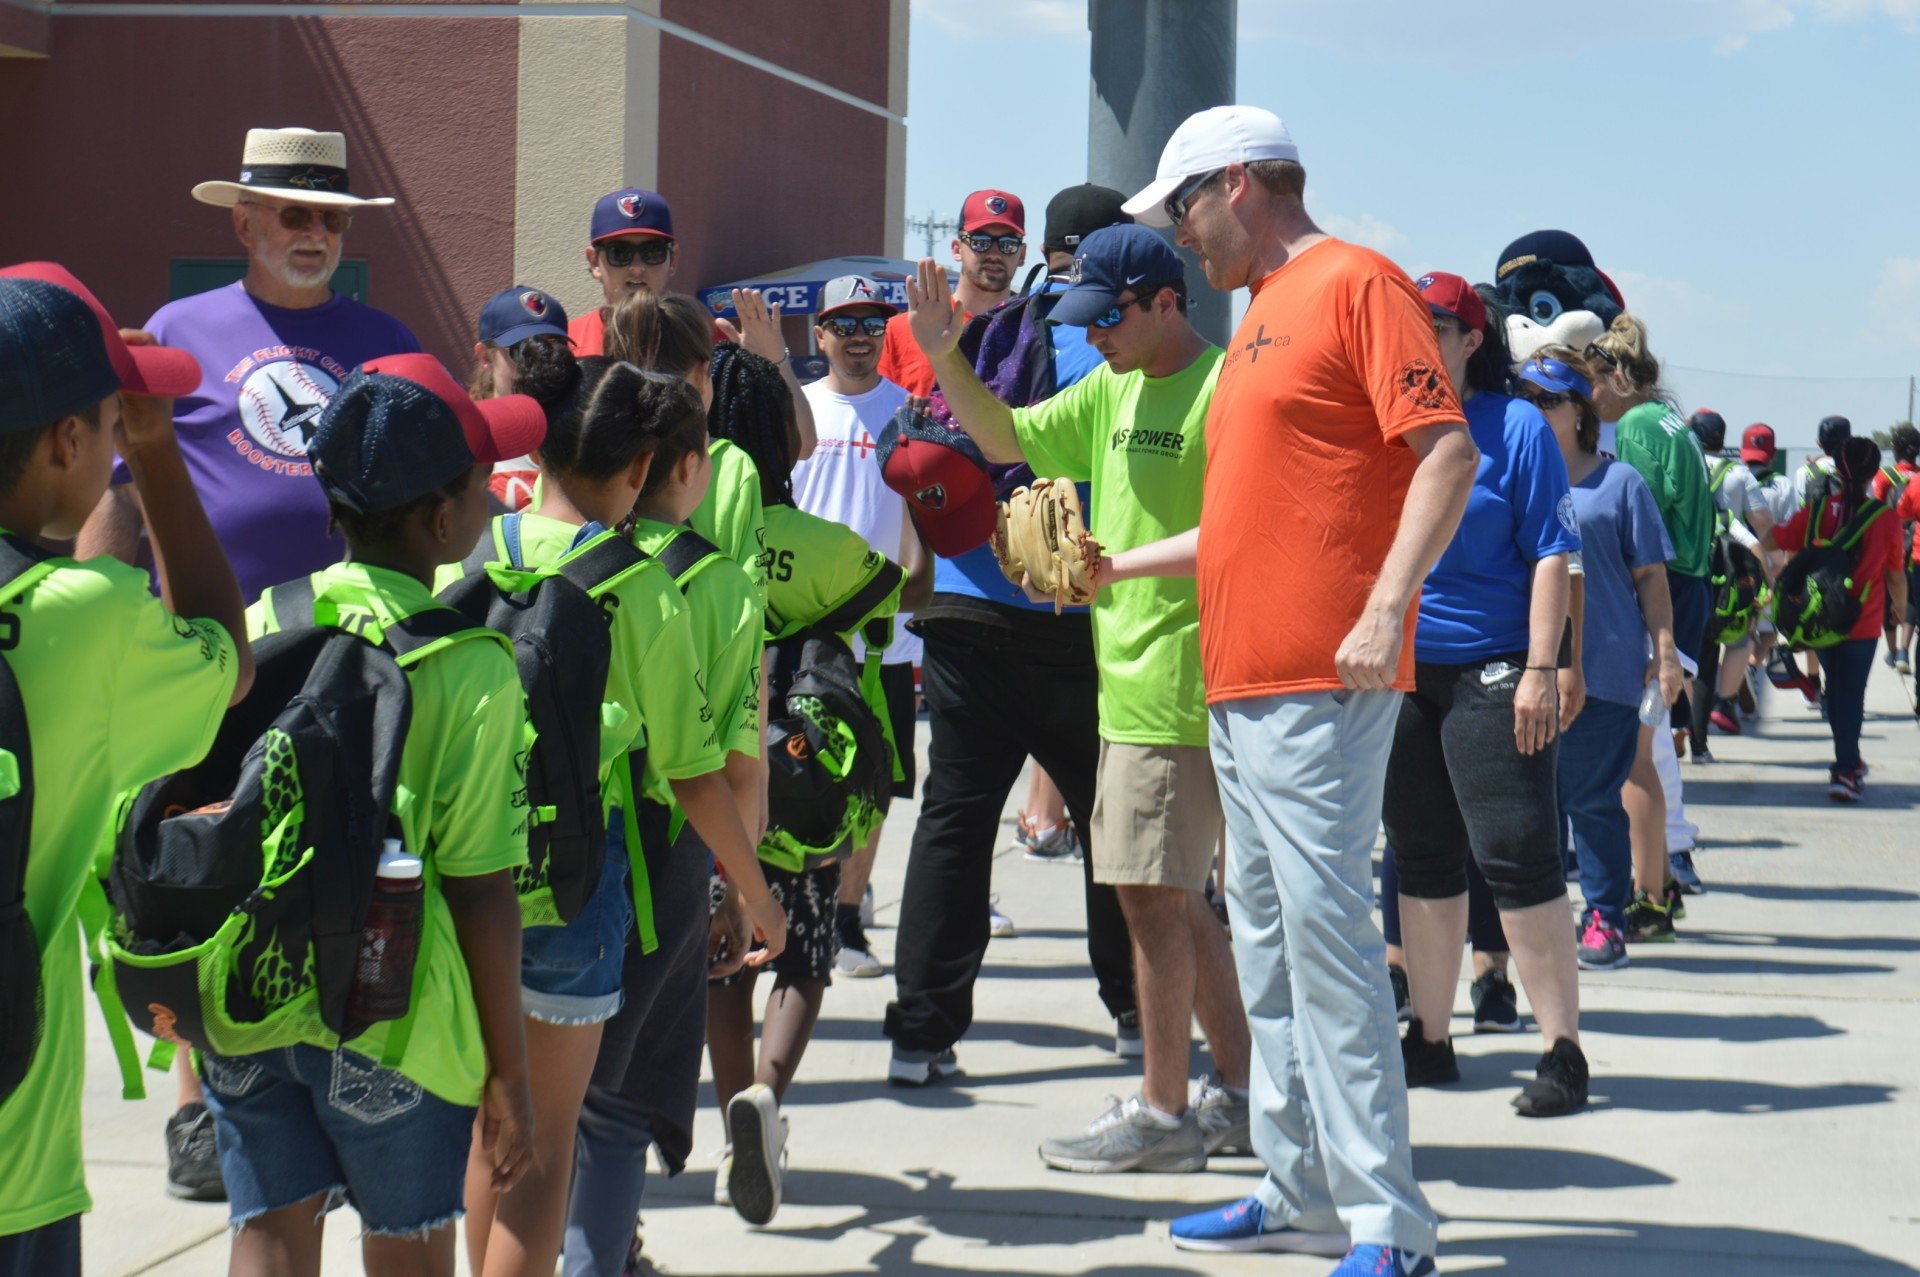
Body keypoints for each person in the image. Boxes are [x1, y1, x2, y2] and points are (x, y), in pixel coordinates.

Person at [1102, 106, 1479, 1275]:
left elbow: (1447, 450)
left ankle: (1388, 1220)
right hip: (1247, 683)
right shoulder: (1262, 312)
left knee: (1324, 950)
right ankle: (1299, 1181)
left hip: (1323, 679)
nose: (1176, 240)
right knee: (1266, 950)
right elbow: (1248, 520)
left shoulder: (1357, 282)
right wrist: (1117, 566)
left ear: (1240, 185)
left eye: (1180, 210)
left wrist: (1383, 603)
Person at [72, 124, 417, 1204]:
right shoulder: (182, 328)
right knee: (206, 857)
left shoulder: (386, 339)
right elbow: (122, 490)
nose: (311, 234)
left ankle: (324, 1071)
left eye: (329, 217)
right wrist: (101, 624)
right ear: (245, 222)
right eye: (291, 214)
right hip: (213, 653)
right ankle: (199, 1099)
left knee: (341, 859)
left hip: (353, 650)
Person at [905, 227, 1253, 1172]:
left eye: (1108, 319)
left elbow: (1235, 534)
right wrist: (943, 353)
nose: (1092, 337)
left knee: (1152, 899)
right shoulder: (1114, 384)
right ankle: (1238, 1096)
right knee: (1172, 899)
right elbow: (1005, 437)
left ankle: (1167, 1111)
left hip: (1180, 680)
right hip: (1126, 682)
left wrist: (1114, 568)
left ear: (1166, 303)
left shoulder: (1223, 390)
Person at [456, 356, 785, 1277]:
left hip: (468, 871)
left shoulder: (479, 548)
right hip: (573, 878)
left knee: (488, 1131)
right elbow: (691, 774)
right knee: (543, 1151)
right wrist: (756, 896)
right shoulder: (642, 589)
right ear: (642, 470)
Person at [211, 354, 540, 1277]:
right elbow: (481, 887)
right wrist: (510, 1075)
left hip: (256, 995)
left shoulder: (268, 614)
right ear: (441, 521)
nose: (493, 503)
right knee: (408, 1251)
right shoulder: (470, 665)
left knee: (268, 1232)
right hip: (392, 1015)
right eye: (481, 487)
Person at [0, 262, 252, 1277]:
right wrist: (157, 451)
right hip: (13, 1139)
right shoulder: (84, 619)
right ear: (71, 442)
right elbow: (224, 657)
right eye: (107, 422)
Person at [880, 187, 1140, 1083]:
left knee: (954, 821)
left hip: (962, 607)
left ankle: (920, 1032)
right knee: (1110, 828)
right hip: (1071, 616)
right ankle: (1137, 1012)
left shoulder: (987, 334)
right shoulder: (1115, 347)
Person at [564, 367, 770, 1277]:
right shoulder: (719, 586)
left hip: (537, 850)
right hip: (668, 860)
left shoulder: (545, 550)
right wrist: (740, 891)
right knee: (617, 1101)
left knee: (536, 1094)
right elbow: (730, 767)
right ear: (686, 468)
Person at [704, 343, 907, 1227]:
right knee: (804, 953)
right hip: (807, 780)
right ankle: (769, 1097)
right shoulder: (829, 547)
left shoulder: (692, 543)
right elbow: (894, 610)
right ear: (790, 446)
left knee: (724, 962)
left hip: (714, 780)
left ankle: (726, 1127)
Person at [1379, 276, 1586, 1118]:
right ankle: (1429, 1037)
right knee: (1421, 858)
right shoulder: (1383, 424)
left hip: (1495, 666)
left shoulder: (1519, 427)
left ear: (1473, 341)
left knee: (1518, 852)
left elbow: (1550, 553)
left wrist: (1545, 666)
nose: (1420, 340)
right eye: (1409, 326)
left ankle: (1561, 1049)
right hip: (1399, 672)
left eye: (1436, 327)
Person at [1527, 347, 1682, 970]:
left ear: (1580, 411)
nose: (1534, 411)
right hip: (1525, 668)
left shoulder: (1620, 483)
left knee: (1593, 799)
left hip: (1608, 667)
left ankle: (1604, 916)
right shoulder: (1511, 475)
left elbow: (1650, 576)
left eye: (1548, 400)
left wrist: (1665, 652)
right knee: (1531, 804)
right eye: (1526, 399)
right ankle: (1535, 917)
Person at [792, 276, 924, 978]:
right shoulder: (800, 412)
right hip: (806, 639)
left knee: (873, 789)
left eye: (872, 321)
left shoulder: (910, 412)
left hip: (885, 644)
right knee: (802, 778)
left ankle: (845, 921)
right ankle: (804, 907)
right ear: (820, 334)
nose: (860, 334)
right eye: (844, 322)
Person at [1585, 314, 1709, 941]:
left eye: (1593, 383)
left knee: (1638, 754)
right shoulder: (1666, 418)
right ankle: (1660, 882)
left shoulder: (1633, 425)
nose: (1588, 398)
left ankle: (1651, 897)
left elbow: (1642, 517)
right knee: (1650, 753)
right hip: (1691, 591)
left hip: (1669, 591)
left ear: (1617, 377)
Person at [566, 187, 814, 455]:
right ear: (594, 261)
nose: (637, 267)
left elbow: (800, 447)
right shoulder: (568, 344)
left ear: (673, 259)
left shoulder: (705, 340)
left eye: (652, 252)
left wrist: (775, 363)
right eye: (619, 253)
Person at [1766, 436, 1907, 800]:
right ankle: (1846, 770)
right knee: (1849, 695)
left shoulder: (1816, 510)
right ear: (1874, 472)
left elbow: (1773, 539)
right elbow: (1894, 574)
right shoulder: (1885, 518)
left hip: (1819, 622)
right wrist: (1901, 608)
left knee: (1838, 692)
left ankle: (1849, 762)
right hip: (1862, 621)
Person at [878, 188, 1027, 397]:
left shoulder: (1032, 331)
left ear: (1022, 254)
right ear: (957, 249)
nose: (994, 253)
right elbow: (877, 414)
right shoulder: (901, 329)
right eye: (980, 242)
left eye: (1008, 244)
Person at [1689, 408, 1775, 757]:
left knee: (1692, 652)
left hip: (1690, 567)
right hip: (1733, 569)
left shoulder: (1684, 463)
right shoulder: (1739, 473)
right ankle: (1724, 704)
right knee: (1739, 639)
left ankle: (1683, 728)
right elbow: (1763, 521)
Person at [468, 284, 576, 510]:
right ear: (486, 357)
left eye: (552, 348)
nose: (538, 362)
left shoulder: (576, 430)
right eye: (522, 351)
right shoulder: (468, 438)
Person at [1870, 423, 1917, 672]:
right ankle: (1904, 651)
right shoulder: (1919, 476)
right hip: (1916, 545)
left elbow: (1875, 508)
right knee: (1910, 596)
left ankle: (1891, 650)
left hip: (1890, 544)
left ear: (1895, 450)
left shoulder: (1885, 476)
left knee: (1889, 595)